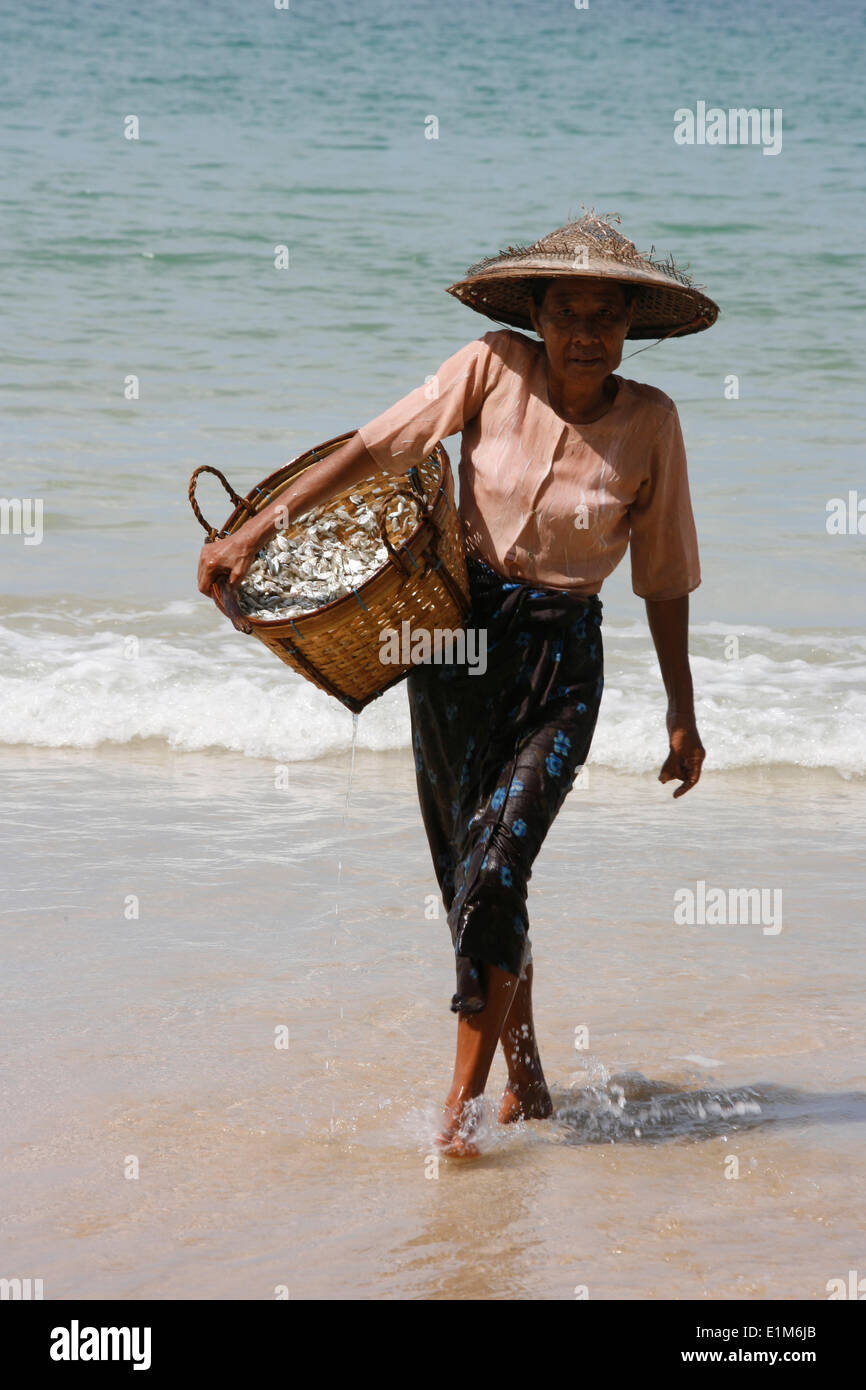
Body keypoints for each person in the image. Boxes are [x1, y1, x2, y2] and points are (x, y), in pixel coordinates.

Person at [198, 211, 718, 1157]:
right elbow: (376, 446)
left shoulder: (654, 423)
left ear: (632, 327)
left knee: (497, 869)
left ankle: (458, 1116)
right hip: (455, 648)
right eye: (568, 310)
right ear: (539, 315)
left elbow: (666, 576)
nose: (587, 331)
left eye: (607, 314)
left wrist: (683, 713)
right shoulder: (490, 366)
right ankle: (526, 1082)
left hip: (563, 666)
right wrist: (254, 530)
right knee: (470, 885)